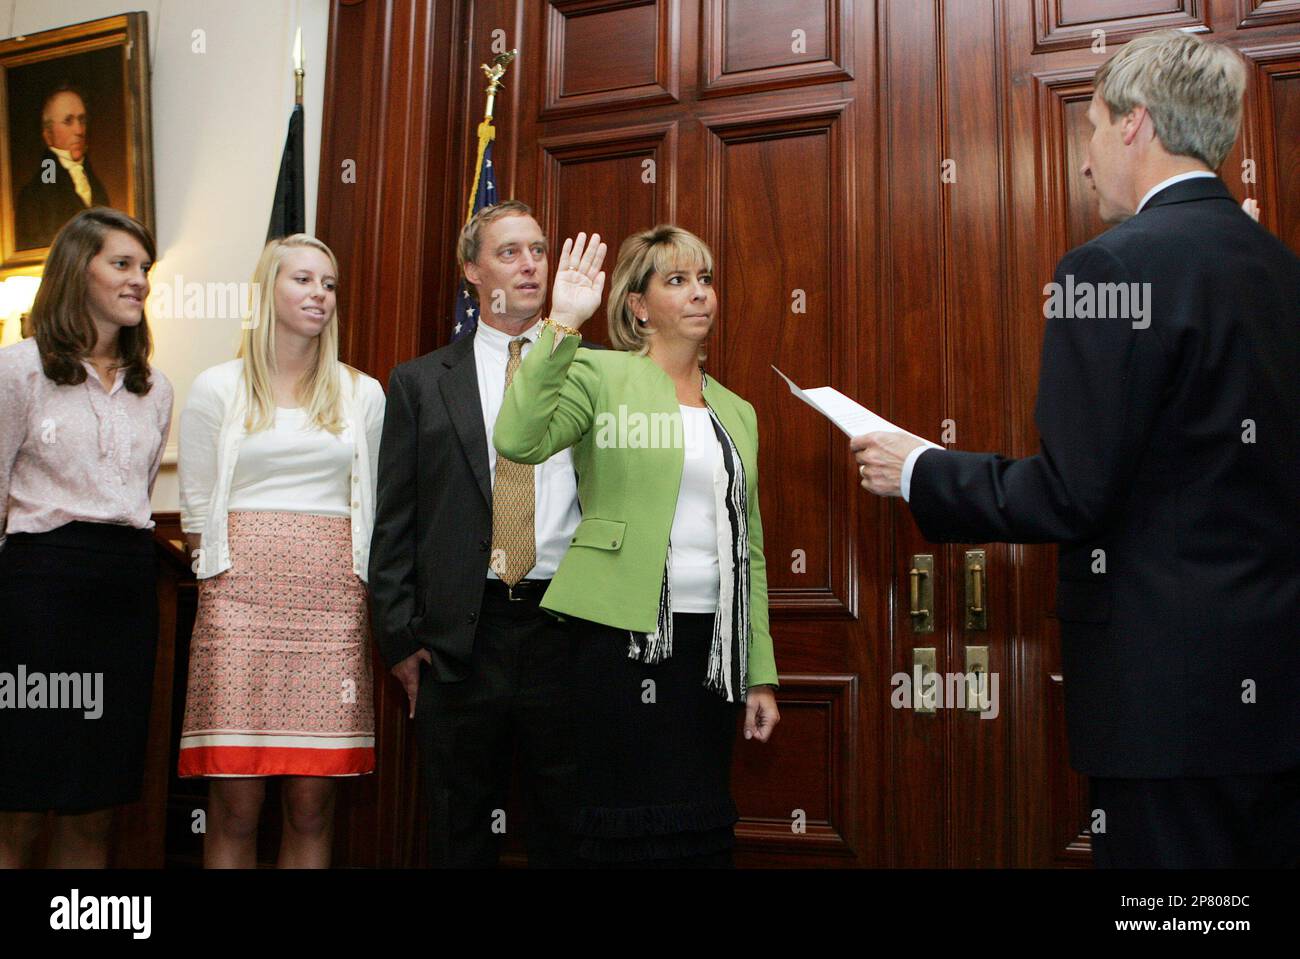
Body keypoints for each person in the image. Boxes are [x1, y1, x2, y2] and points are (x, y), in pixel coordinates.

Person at [853, 30, 1300, 868]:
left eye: (1089, 128)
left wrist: (919, 468)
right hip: (1275, 701)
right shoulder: (1282, 271)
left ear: (1134, 125)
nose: (1085, 161)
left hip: (1164, 710)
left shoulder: (1106, 267)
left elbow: (1071, 493)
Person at [494, 225, 780, 867]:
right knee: (623, 828)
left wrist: (759, 673)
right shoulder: (599, 372)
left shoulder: (737, 410)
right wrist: (561, 325)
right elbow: (517, 438)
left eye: (704, 278)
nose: (699, 293)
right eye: (677, 280)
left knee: (694, 827)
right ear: (639, 305)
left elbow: (751, 549)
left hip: (712, 649)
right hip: (617, 640)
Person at [369, 200, 585, 867]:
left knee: (566, 825)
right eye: (509, 251)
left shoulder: (590, 373)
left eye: (540, 250)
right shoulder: (418, 382)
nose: (530, 265)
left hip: (564, 626)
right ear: (472, 268)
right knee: (460, 829)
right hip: (462, 636)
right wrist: (402, 638)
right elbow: (395, 520)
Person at [177, 234, 384, 869]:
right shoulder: (217, 388)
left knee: (311, 804)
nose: (319, 293)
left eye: (328, 283)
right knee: (235, 804)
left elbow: (373, 504)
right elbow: (193, 511)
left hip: (330, 608)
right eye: (302, 280)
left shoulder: (362, 393)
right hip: (238, 607)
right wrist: (227, 583)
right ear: (268, 290)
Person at [0, 208, 173, 868]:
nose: (140, 281)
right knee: (18, 799)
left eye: (145, 269)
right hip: (35, 593)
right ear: (79, 270)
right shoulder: (17, 370)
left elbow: (138, 489)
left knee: (96, 801)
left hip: (125, 592)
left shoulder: (155, 388)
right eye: (123, 264)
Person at [16, 86, 110, 251]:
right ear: (48, 134)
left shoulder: (91, 177)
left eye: (82, 120)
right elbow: (47, 191)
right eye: (68, 121)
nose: (79, 130)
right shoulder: (46, 174)